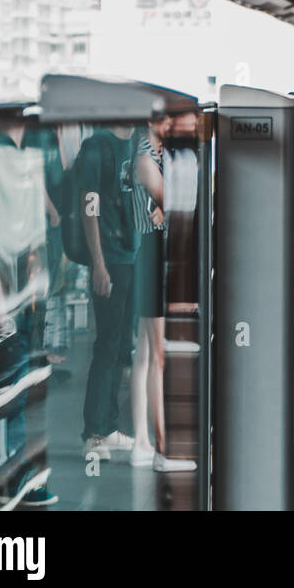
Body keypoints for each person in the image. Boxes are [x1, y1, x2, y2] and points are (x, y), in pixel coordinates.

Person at [127, 117, 195, 472]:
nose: (173, 122)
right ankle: (163, 449)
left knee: (144, 352)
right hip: (148, 254)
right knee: (158, 355)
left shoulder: (156, 154)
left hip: (150, 253)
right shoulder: (142, 155)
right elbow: (174, 199)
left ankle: (142, 441)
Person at [76, 124, 142, 461]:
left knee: (121, 347)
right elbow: (89, 205)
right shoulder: (97, 146)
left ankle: (109, 424)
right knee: (107, 345)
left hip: (131, 256)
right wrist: (97, 263)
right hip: (110, 259)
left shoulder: (137, 141)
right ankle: (93, 432)